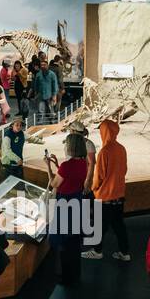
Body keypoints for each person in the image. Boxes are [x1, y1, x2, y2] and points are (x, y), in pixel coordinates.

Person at [47, 134, 89, 284]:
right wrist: (58, 166)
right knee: (74, 243)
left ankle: (64, 277)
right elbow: (70, 177)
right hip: (76, 201)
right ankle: (75, 275)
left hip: (64, 204)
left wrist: (48, 166)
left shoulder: (67, 166)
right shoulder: (84, 163)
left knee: (63, 244)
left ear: (71, 147)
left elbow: (54, 183)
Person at [85, 119, 130, 261]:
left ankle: (97, 251)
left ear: (105, 132)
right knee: (119, 225)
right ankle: (125, 253)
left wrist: (93, 188)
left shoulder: (104, 151)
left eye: (101, 130)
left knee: (99, 226)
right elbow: (124, 170)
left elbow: (99, 176)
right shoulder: (121, 148)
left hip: (104, 196)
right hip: (119, 194)